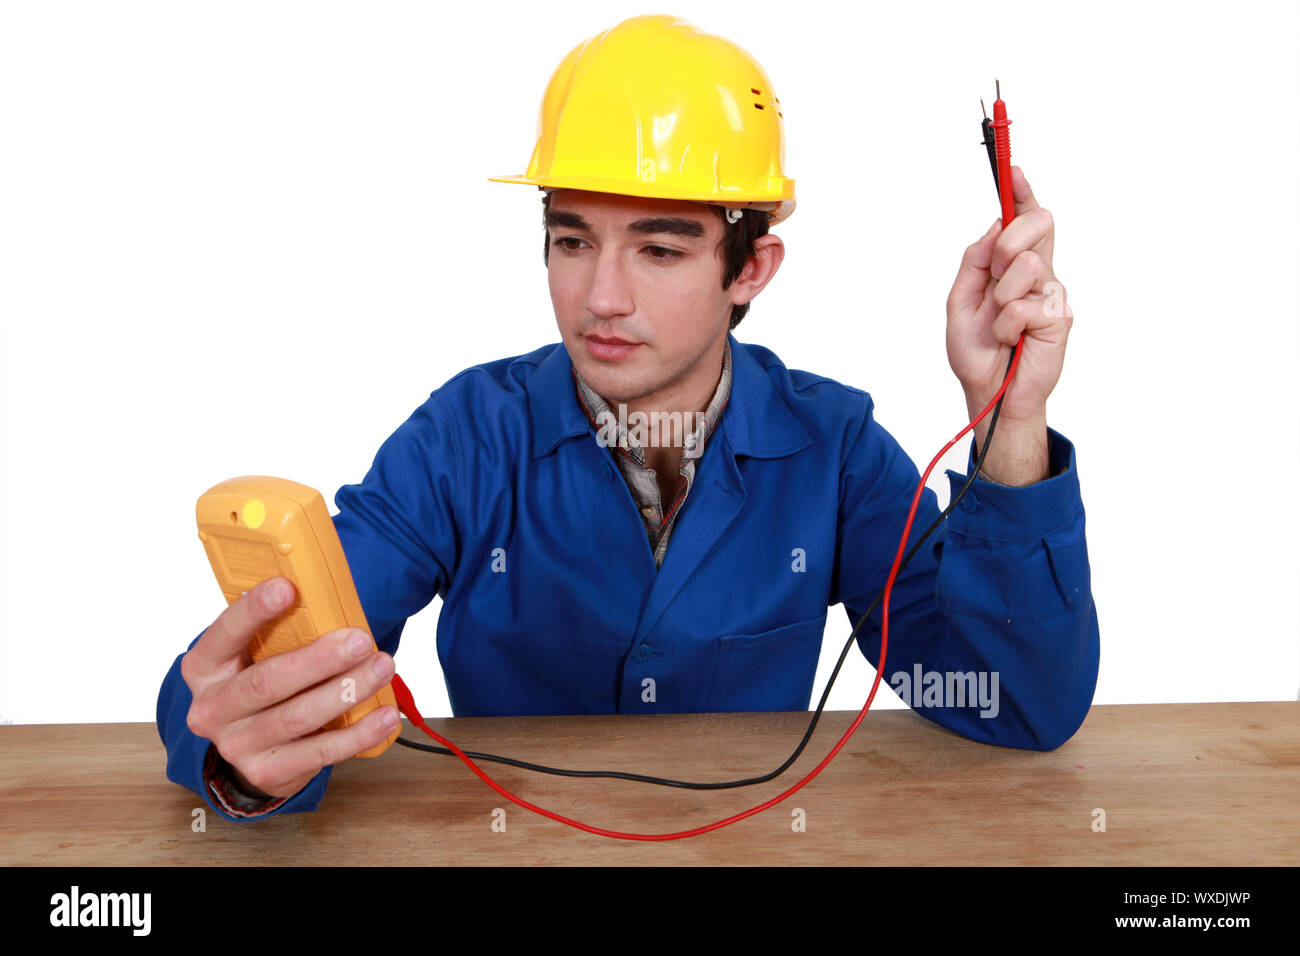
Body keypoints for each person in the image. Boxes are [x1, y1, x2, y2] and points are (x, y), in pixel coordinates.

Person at [157, 14, 1098, 820]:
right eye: (573, 240)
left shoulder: (837, 451)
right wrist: (239, 756)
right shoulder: (464, 440)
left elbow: (1014, 703)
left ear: (750, 271)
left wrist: (1009, 416)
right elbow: (250, 676)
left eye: (659, 249)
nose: (601, 297)